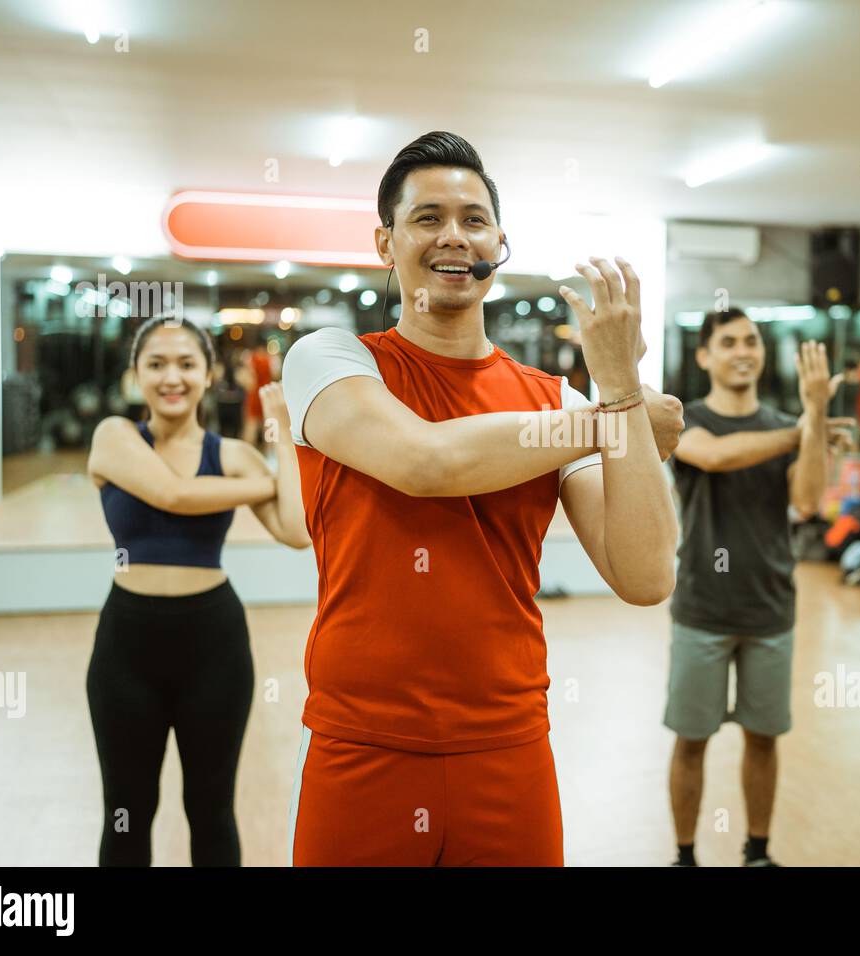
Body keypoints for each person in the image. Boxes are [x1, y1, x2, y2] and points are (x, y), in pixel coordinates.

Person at [281, 130, 684, 866]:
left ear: (500, 243)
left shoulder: (556, 401)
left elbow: (646, 575)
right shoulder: (329, 361)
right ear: (385, 242)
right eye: (427, 218)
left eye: (474, 219)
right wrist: (616, 418)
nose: (454, 237)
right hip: (362, 742)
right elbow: (424, 461)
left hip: (508, 743)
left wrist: (620, 387)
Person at [85, 315, 310, 866]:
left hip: (214, 644)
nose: (172, 377)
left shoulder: (232, 455)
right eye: (156, 364)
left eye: (187, 364)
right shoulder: (114, 437)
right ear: (135, 375)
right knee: (126, 811)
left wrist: (281, 431)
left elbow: (297, 531)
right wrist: (258, 484)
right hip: (127, 646)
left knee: (211, 810)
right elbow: (174, 495)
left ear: (208, 375)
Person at [667, 308, 837, 867]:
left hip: (770, 608)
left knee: (763, 738)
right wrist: (803, 428)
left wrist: (815, 417)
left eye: (752, 341)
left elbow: (807, 501)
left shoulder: (789, 424)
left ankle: (758, 853)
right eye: (729, 342)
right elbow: (715, 457)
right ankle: (685, 857)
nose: (743, 351)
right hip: (702, 607)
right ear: (704, 355)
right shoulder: (683, 420)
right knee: (691, 739)